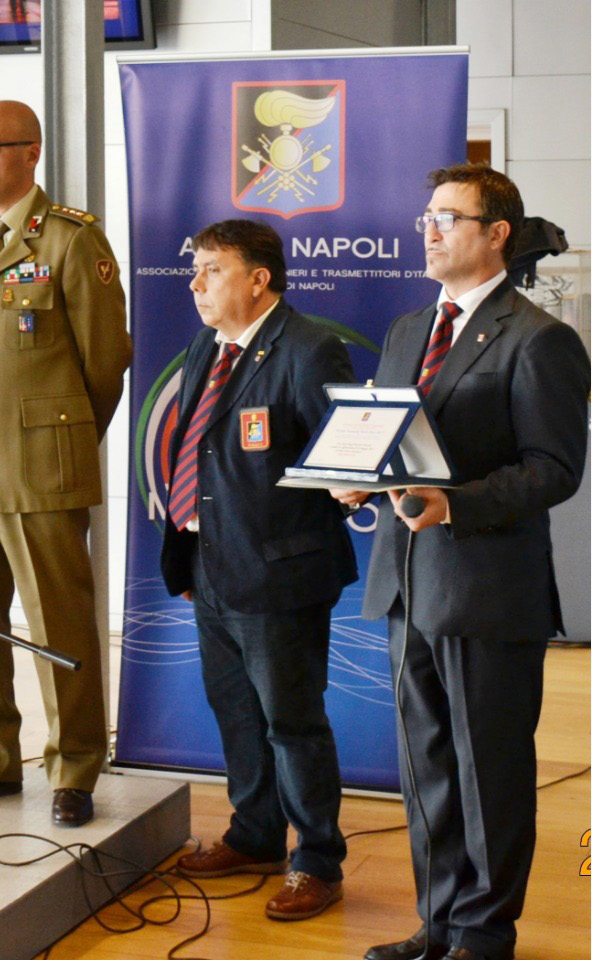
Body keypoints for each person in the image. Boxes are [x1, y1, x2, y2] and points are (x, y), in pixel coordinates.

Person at [338, 165, 589, 960]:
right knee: (428, 769)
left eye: (448, 217)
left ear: (497, 233)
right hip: (406, 582)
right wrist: (355, 475)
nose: (430, 230)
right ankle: (439, 923)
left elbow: (555, 469)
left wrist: (459, 503)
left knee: (489, 770)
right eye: (427, 218)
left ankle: (484, 932)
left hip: (487, 589)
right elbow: (391, 437)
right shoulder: (409, 329)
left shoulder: (539, 337)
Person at [0, 100, 130, 827]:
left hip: (43, 460)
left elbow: (105, 362)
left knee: (57, 624)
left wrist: (62, 435)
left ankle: (73, 767)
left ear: (31, 152)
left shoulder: (72, 238)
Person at [159, 220, 355, 921]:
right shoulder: (206, 347)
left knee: (291, 723)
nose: (195, 283)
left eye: (212, 269)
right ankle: (255, 834)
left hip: (278, 573)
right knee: (237, 712)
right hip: (210, 565)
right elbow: (197, 451)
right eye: (196, 269)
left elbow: (344, 454)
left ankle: (317, 862)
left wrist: (353, 481)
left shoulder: (308, 348)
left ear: (258, 279)